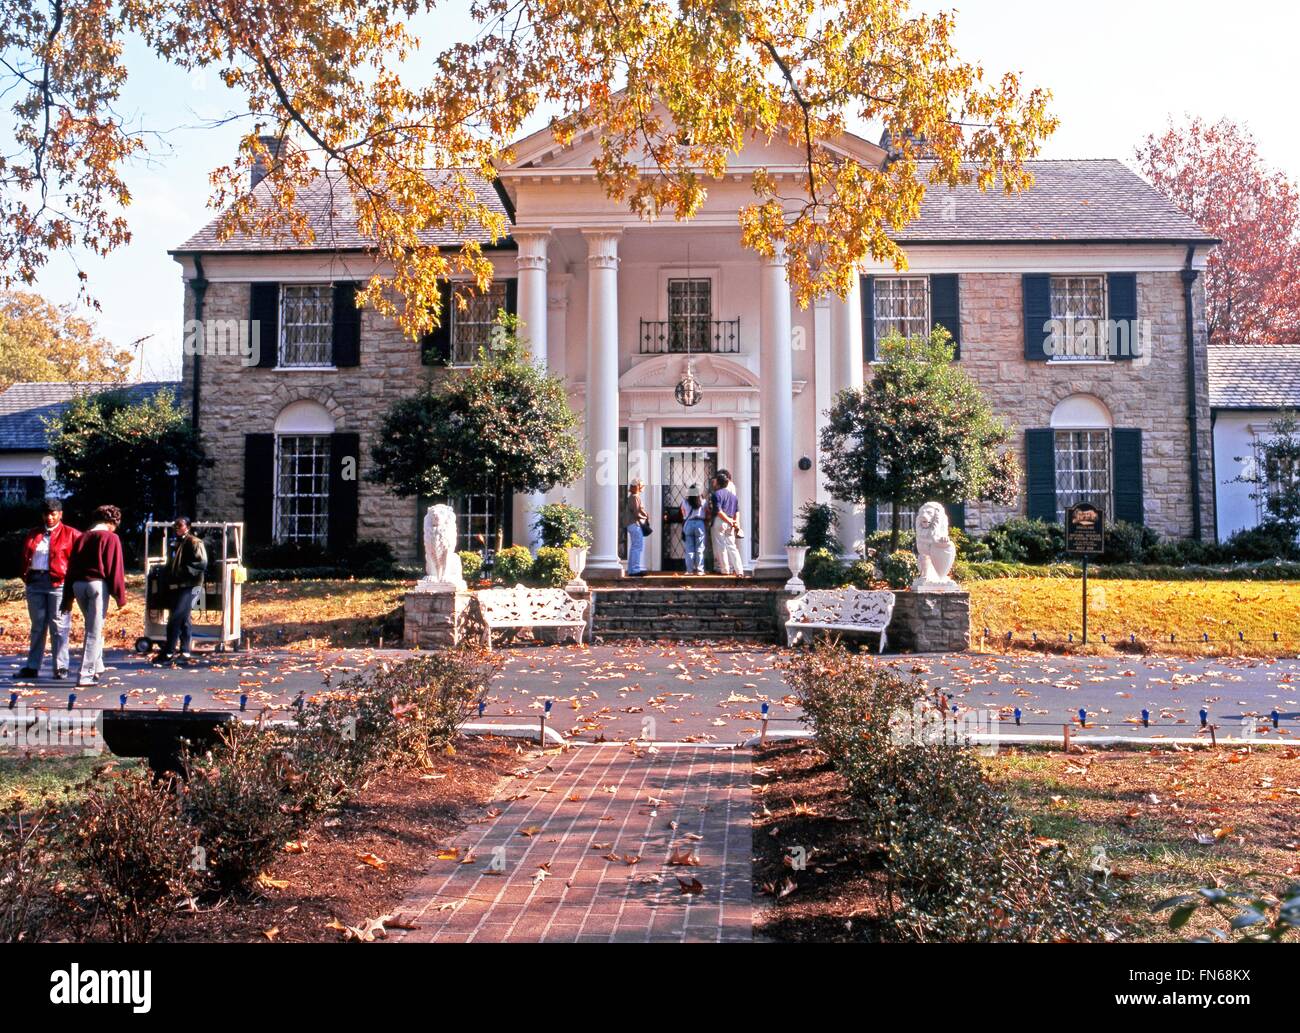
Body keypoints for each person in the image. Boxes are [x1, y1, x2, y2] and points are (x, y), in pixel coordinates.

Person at [61, 505, 127, 688]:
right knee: (94, 631)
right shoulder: (111, 537)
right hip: (97, 585)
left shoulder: (82, 537)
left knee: (93, 625)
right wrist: (120, 596)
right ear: (112, 522)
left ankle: (98, 666)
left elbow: (71, 567)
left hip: (77, 585)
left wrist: (67, 597)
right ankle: (86, 673)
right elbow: (115, 568)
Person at [14, 498, 81, 680]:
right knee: (37, 626)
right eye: (46, 513)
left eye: (53, 513)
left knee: (59, 626)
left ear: (60, 514)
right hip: (35, 582)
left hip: (58, 583)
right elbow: (25, 556)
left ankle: (60, 667)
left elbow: (79, 560)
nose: (49, 517)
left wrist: (72, 582)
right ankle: (32, 666)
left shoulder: (72, 534)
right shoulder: (34, 533)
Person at [153, 517, 207, 665]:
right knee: (183, 619)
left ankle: (169, 652)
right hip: (178, 586)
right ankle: (185, 652)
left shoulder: (194, 542)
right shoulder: (176, 542)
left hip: (190, 586)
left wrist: (179, 573)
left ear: (188, 527)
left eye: (180, 525)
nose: (177, 528)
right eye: (175, 525)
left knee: (175, 619)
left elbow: (201, 563)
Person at [708, 471, 746, 577]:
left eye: (715, 482)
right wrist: (735, 523)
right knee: (732, 546)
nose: (714, 483)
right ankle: (739, 571)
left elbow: (719, 511)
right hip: (730, 521)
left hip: (720, 521)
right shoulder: (733, 497)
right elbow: (737, 511)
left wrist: (728, 521)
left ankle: (725, 570)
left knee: (721, 546)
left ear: (719, 483)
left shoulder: (716, 495)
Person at [622, 480, 649, 576]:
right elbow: (637, 512)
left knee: (635, 547)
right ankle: (635, 569)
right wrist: (646, 515)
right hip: (635, 524)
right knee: (637, 547)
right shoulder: (635, 497)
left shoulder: (631, 497)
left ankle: (632, 569)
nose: (642, 487)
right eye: (641, 485)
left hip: (631, 524)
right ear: (637, 487)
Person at [680, 485, 708, 575]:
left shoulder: (684, 501)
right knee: (700, 549)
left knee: (689, 549)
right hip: (700, 524)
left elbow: (683, 514)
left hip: (689, 523)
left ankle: (689, 570)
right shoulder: (703, 502)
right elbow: (707, 512)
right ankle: (700, 570)